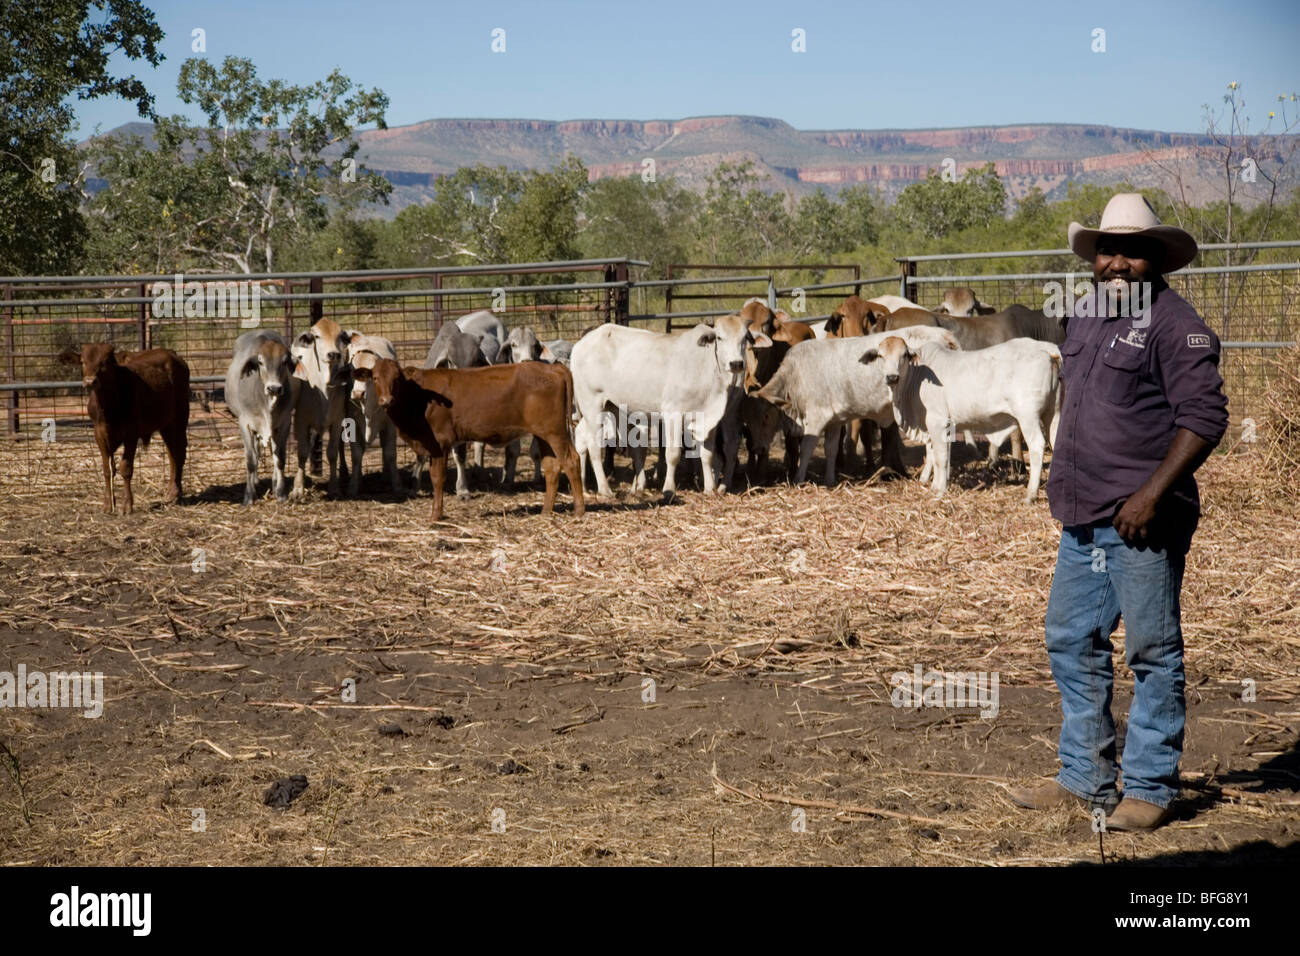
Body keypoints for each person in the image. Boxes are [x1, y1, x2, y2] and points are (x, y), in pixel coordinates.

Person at [1010, 193, 1229, 831]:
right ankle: (1085, 778)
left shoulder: (1175, 324)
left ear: (1154, 258)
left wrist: (1151, 493)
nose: (1117, 263)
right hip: (1082, 515)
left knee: (1152, 650)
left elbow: (1205, 418)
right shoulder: (1084, 316)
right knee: (1071, 639)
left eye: (1131, 252)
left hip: (1141, 519)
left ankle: (1152, 787)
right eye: (1108, 250)